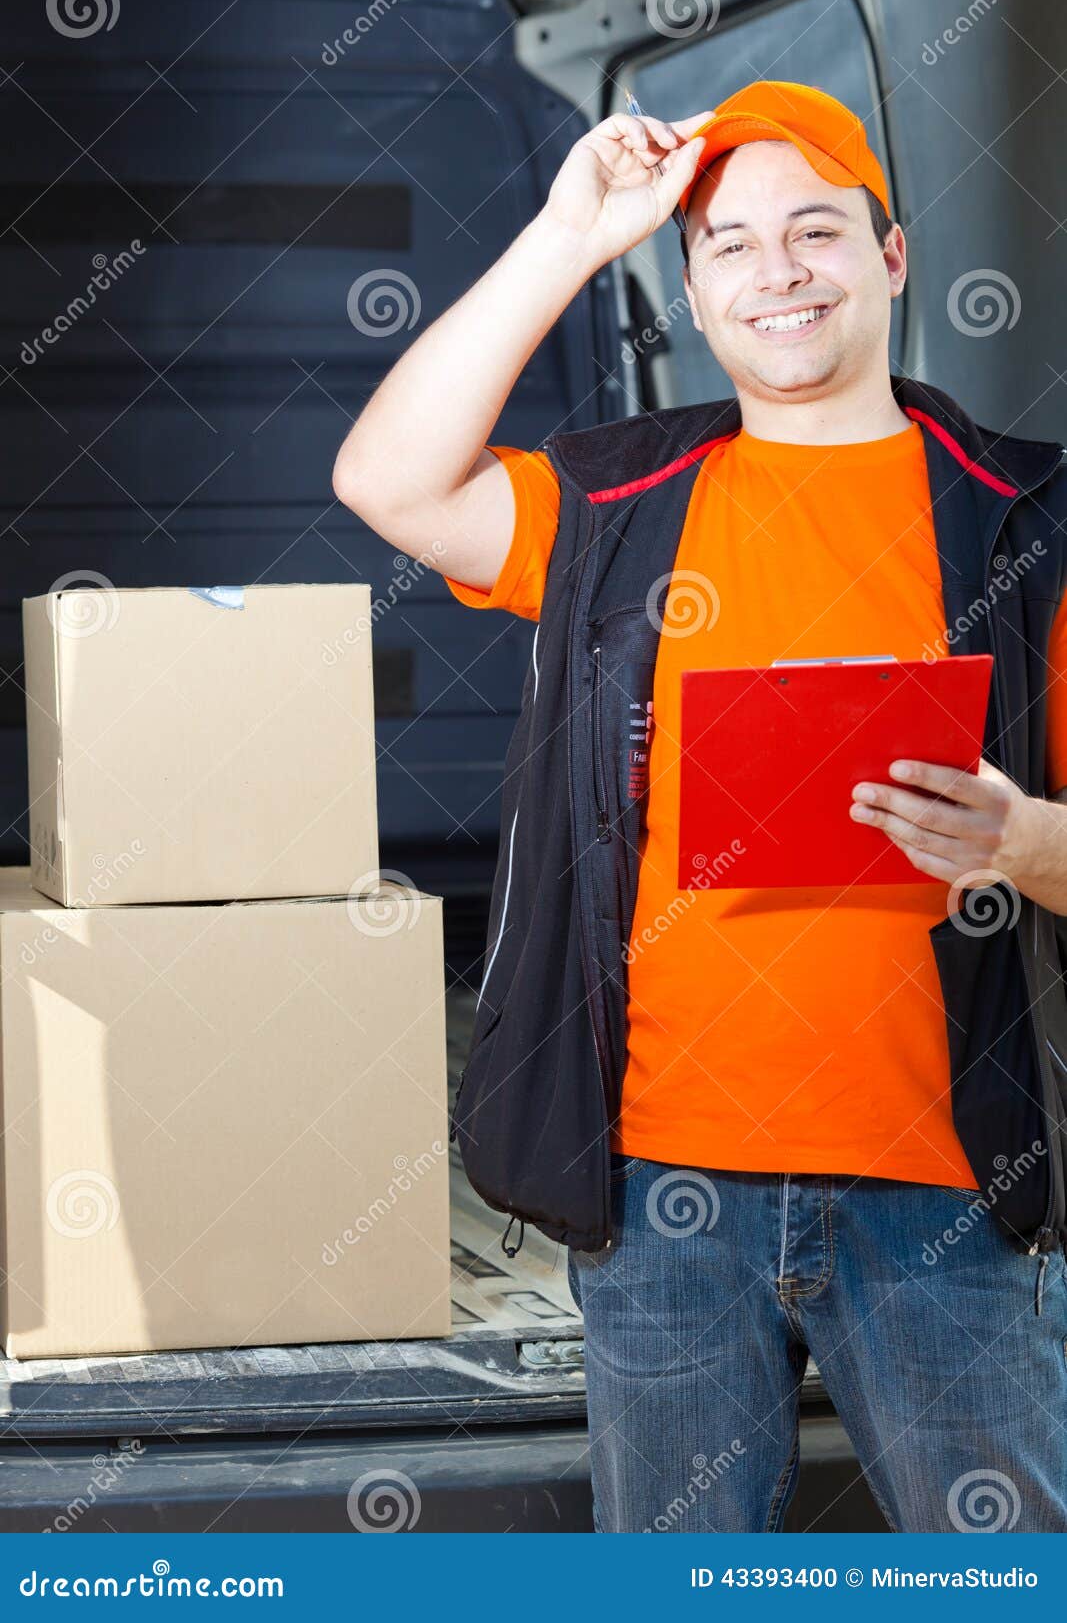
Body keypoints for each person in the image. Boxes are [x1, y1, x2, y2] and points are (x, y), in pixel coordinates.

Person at [333, 81, 1067, 1533]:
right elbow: (388, 478)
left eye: (815, 229)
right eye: (730, 245)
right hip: (664, 1196)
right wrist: (566, 235)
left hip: (949, 1197)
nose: (777, 270)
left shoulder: (1021, 521)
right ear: (690, 288)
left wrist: (1023, 839)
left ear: (893, 255)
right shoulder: (623, 502)